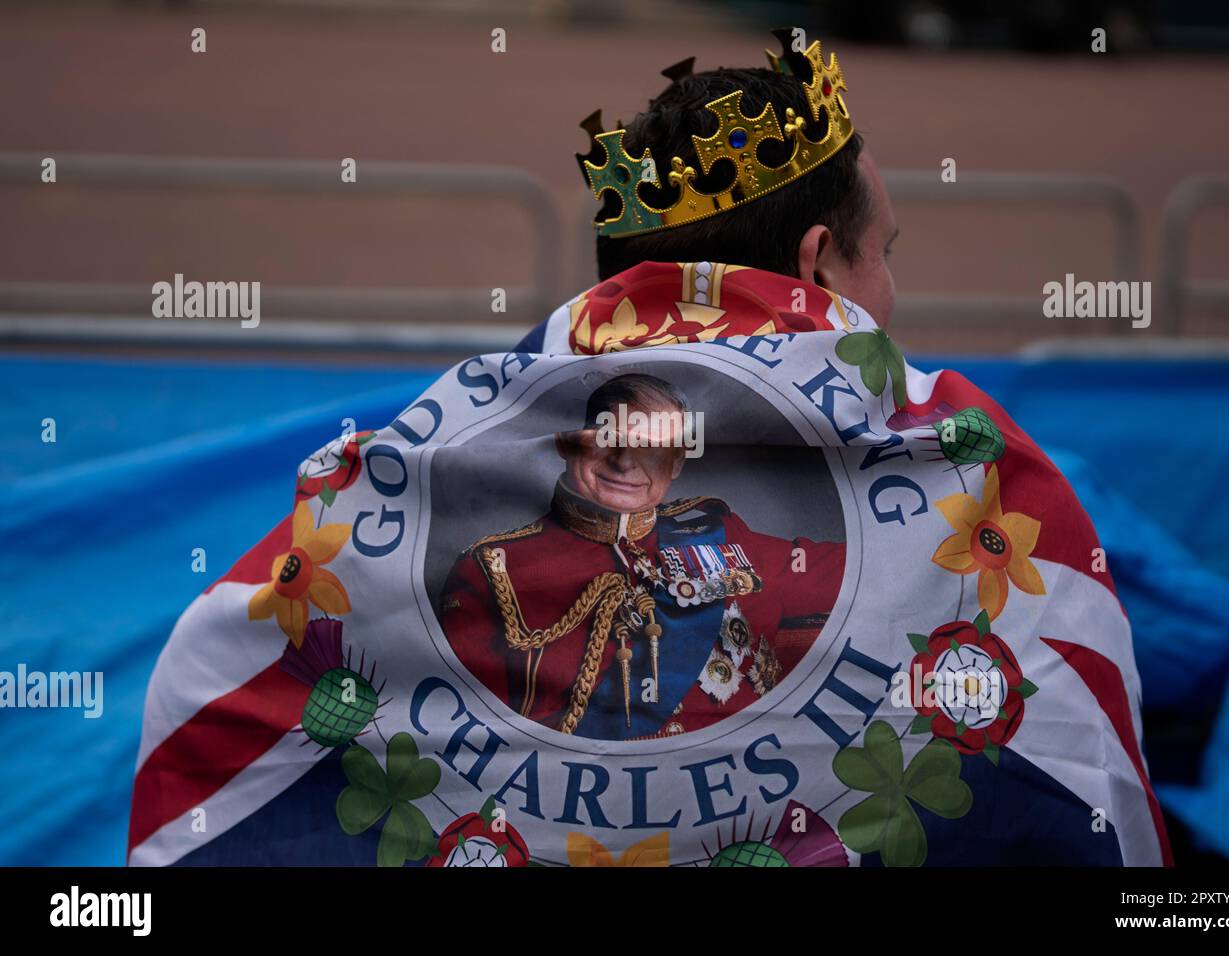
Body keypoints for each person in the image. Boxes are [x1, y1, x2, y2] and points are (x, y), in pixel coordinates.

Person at [129, 29, 1170, 867]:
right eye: (882, 253)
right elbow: (1084, 784)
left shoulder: (406, 475)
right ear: (819, 263)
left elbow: (212, 692)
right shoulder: (973, 480)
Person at [438, 373, 845, 740]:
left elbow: (863, 568)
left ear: (677, 463)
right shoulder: (494, 570)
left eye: (651, 448)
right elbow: (469, 733)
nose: (625, 462)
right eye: (606, 439)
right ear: (566, 443)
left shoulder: (720, 537)